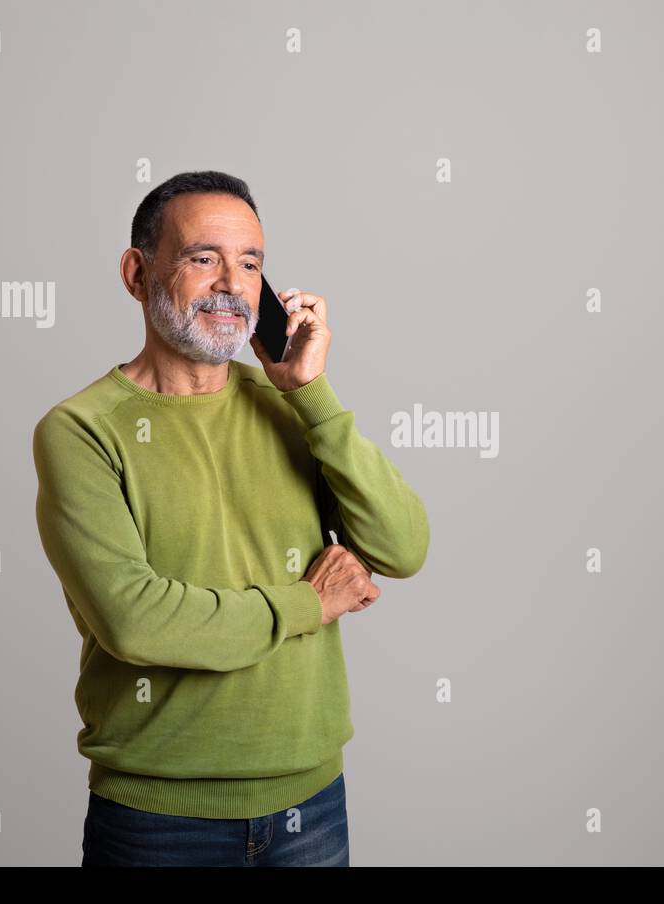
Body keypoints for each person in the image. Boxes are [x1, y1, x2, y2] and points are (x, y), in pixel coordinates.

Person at [31, 170, 430, 866]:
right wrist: (310, 602)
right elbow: (136, 620)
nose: (232, 284)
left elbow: (402, 547)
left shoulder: (291, 407)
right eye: (202, 257)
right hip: (159, 820)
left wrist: (313, 395)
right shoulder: (80, 430)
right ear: (137, 272)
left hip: (312, 804)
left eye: (251, 264)